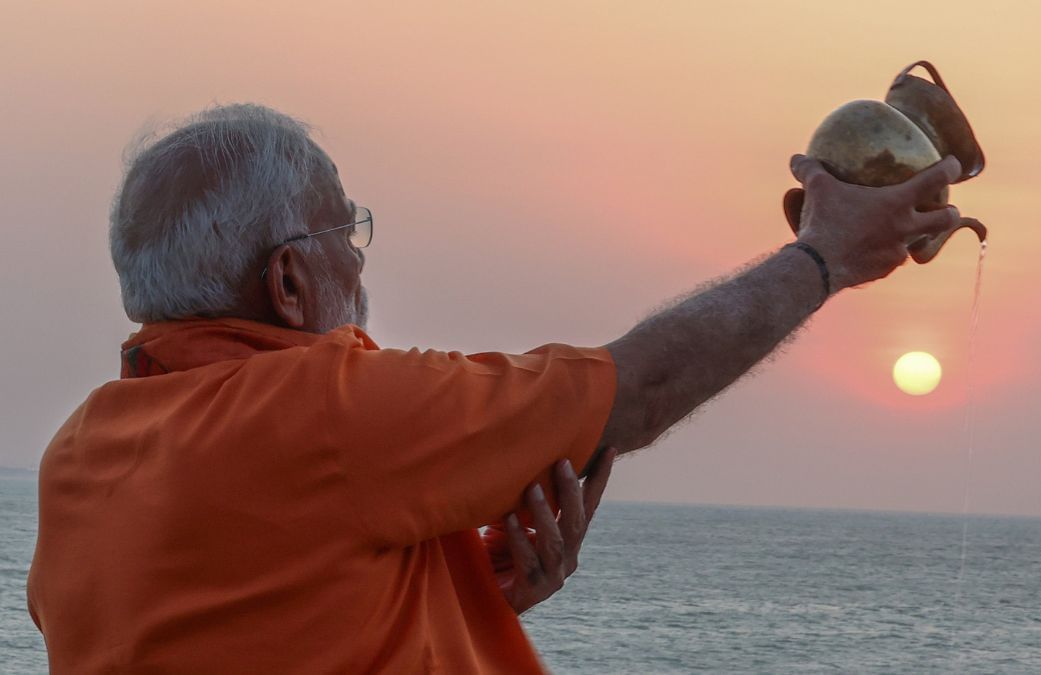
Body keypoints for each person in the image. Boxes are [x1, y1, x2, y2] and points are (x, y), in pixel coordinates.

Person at [27, 103, 970, 673]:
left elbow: (244, 614)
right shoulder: (323, 408)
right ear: (286, 282)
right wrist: (824, 256)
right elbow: (635, 390)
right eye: (344, 230)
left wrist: (469, 587)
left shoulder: (81, 452)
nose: (359, 258)